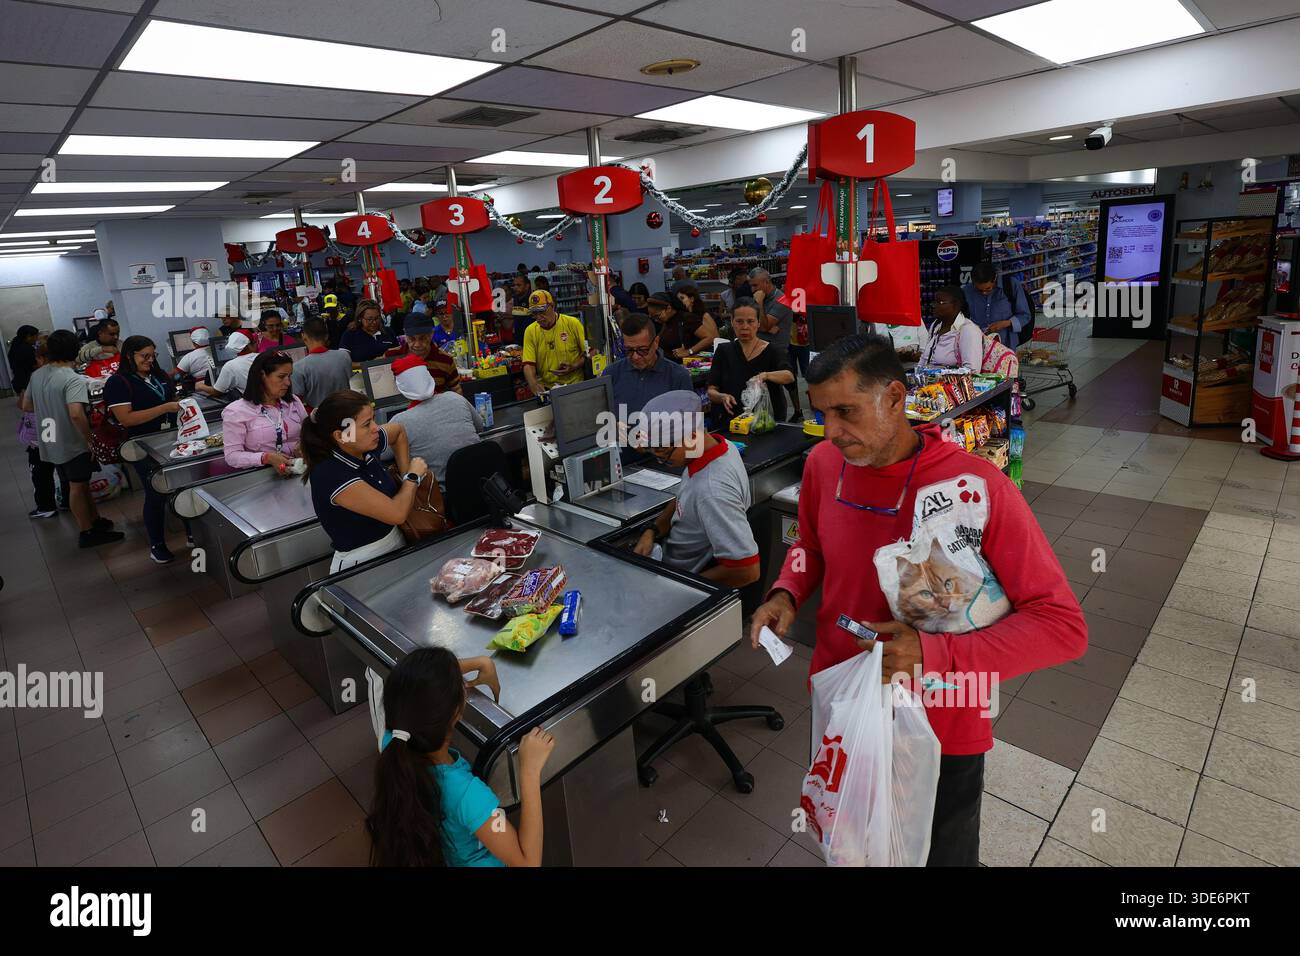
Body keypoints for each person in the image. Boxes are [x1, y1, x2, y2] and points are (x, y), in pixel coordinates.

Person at [749, 334, 1087, 867]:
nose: (830, 431)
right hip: (844, 701)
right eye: (821, 413)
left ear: (893, 398)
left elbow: (1062, 626)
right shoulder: (820, 466)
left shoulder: (977, 488)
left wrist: (935, 655)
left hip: (943, 721)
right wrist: (787, 592)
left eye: (845, 412)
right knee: (853, 848)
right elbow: (809, 545)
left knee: (940, 855)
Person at [366, 647, 554, 867]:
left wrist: (479, 662)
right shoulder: (469, 796)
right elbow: (527, 863)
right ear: (457, 711)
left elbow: (413, 687)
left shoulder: (396, 739)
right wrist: (529, 771)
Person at [631, 390, 760, 588]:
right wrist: (653, 529)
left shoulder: (712, 490)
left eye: (663, 451)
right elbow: (683, 497)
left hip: (681, 579)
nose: (660, 459)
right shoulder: (718, 446)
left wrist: (681, 588)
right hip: (666, 556)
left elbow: (747, 570)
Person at [23, 330, 121, 547]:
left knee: (80, 481)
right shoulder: (71, 378)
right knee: (77, 485)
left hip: (50, 438)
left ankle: (95, 520)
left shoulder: (38, 375)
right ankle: (86, 532)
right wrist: (90, 439)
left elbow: (27, 405)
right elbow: (76, 413)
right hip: (71, 439)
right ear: (75, 350)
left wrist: (50, 407)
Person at [105, 335, 190, 561]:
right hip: (141, 445)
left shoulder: (159, 376)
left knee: (184, 486)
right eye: (144, 356)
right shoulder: (118, 382)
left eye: (153, 355)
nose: (150, 360)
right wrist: (164, 408)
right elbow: (127, 419)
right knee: (156, 493)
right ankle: (157, 544)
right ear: (129, 356)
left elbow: (172, 399)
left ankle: (193, 533)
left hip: (171, 439)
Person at [387, 355, 483, 486]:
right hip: (483, 482)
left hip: (443, 497)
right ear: (429, 377)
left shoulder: (399, 422)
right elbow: (480, 426)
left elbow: (382, 454)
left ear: (400, 386)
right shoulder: (455, 398)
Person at [706, 299, 794, 426]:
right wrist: (722, 397)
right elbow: (711, 390)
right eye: (739, 321)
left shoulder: (773, 350)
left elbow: (789, 376)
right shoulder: (724, 351)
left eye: (750, 321)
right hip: (731, 422)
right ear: (732, 322)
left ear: (758, 323)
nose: (745, 327)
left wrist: (765, 375)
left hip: (765, 422)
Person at [221, 350, 307, 474]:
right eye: (281, 376)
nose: (288, 383)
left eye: (289, 376)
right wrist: (265, 458)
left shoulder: (293, 402)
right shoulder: (236, 412)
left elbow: (308, 432)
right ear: (262, 376)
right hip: (262, 476)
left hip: (299, 471)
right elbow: (232, 456)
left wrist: (305, 445)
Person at [601, 312, 692, 415]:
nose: (635, 356)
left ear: (656, 342)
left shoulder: (678, 377)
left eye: (642, 350)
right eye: (629, 350)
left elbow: (688, 424)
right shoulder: (611, 374)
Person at [749, 266, 803, 420]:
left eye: (755, 285)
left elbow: (764, 325)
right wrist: (763, 325)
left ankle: (785, 418)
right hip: (759, 347)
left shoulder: (782, 300)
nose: (753, 290)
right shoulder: (760, 297)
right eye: (751, 285)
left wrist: (758, 305)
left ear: (766, 282)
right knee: (761, 386)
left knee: (778, 386)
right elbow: (758, 324)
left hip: (777, 350)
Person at [19, 335, 60, 520]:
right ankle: (68, 499)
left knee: (41, 467)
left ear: (41, 358)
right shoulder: (66, 372)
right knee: (62, 464)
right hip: (61, 424)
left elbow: (26, 405)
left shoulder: (37, 377)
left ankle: (45, 505)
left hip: (42, 426)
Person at [521, 290, 587, 398]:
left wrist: (574, 366)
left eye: (542, 312)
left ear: (552, 306)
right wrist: (533, 383)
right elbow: (528, 364)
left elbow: (591, 352)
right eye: (534, 313)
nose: (538, 318)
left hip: (575, 386)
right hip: (548, 389)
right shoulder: (530, 331)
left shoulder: (573, 323)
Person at [916, 285, 986, 369]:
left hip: (952, 382)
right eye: (934, 302)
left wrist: (942, 375)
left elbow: (972, 370)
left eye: (940, 302)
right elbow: (924, 360)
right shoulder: (936, 325)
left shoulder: (968, 330)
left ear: (956, 305)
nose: (934, 305)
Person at [964, 262, 1031, 348]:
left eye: (988, 289)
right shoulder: (967, 291)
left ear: (995, 279)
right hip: (977, 345)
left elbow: (1025, 315)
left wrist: (1006, 323)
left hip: (1006, 344)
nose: (984, 293)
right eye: (979, 290)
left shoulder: (1010, 286)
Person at [291, 318, 353, 411]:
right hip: (347, 410)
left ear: (304, 337)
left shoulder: (298, 367)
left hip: (318, 418)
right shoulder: (344, 356)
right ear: (327, 336)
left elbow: (297, 403)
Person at [399, 315, 461, 396]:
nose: (417, 344)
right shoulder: (391, 355)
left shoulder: (445, 360)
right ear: (405, 335)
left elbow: (456, 389)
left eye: (422, 338)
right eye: (412, 339)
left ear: (431, 334)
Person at [200, 331, 257, 397]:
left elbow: (216, 392)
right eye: (254, 342)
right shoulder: (263, 356)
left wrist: (201, 386)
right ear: (248, 345)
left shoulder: (230, 365)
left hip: (251, 402)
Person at [672, 284, 720, 359]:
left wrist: (689, 351)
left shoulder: (704, 315)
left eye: (682, 298)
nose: (680, 302)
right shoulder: (686, 317)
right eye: (678, 299)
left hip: (707, 358)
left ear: (691, 299)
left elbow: (715, 338)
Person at [7, 325, 40, 395]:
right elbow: (34, 366)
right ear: (28, 336)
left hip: (18, 382)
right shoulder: (27, 349)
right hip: (27, 383)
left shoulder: (15, 347)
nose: (37, 339)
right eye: (36, 336)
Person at [510, 273, 533, 346]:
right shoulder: (515, 298)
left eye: (519, 285)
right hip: (518, 338)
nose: (515, 287)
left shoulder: (532, 299)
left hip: (531, 337)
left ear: (527, 286)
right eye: (514, 285)